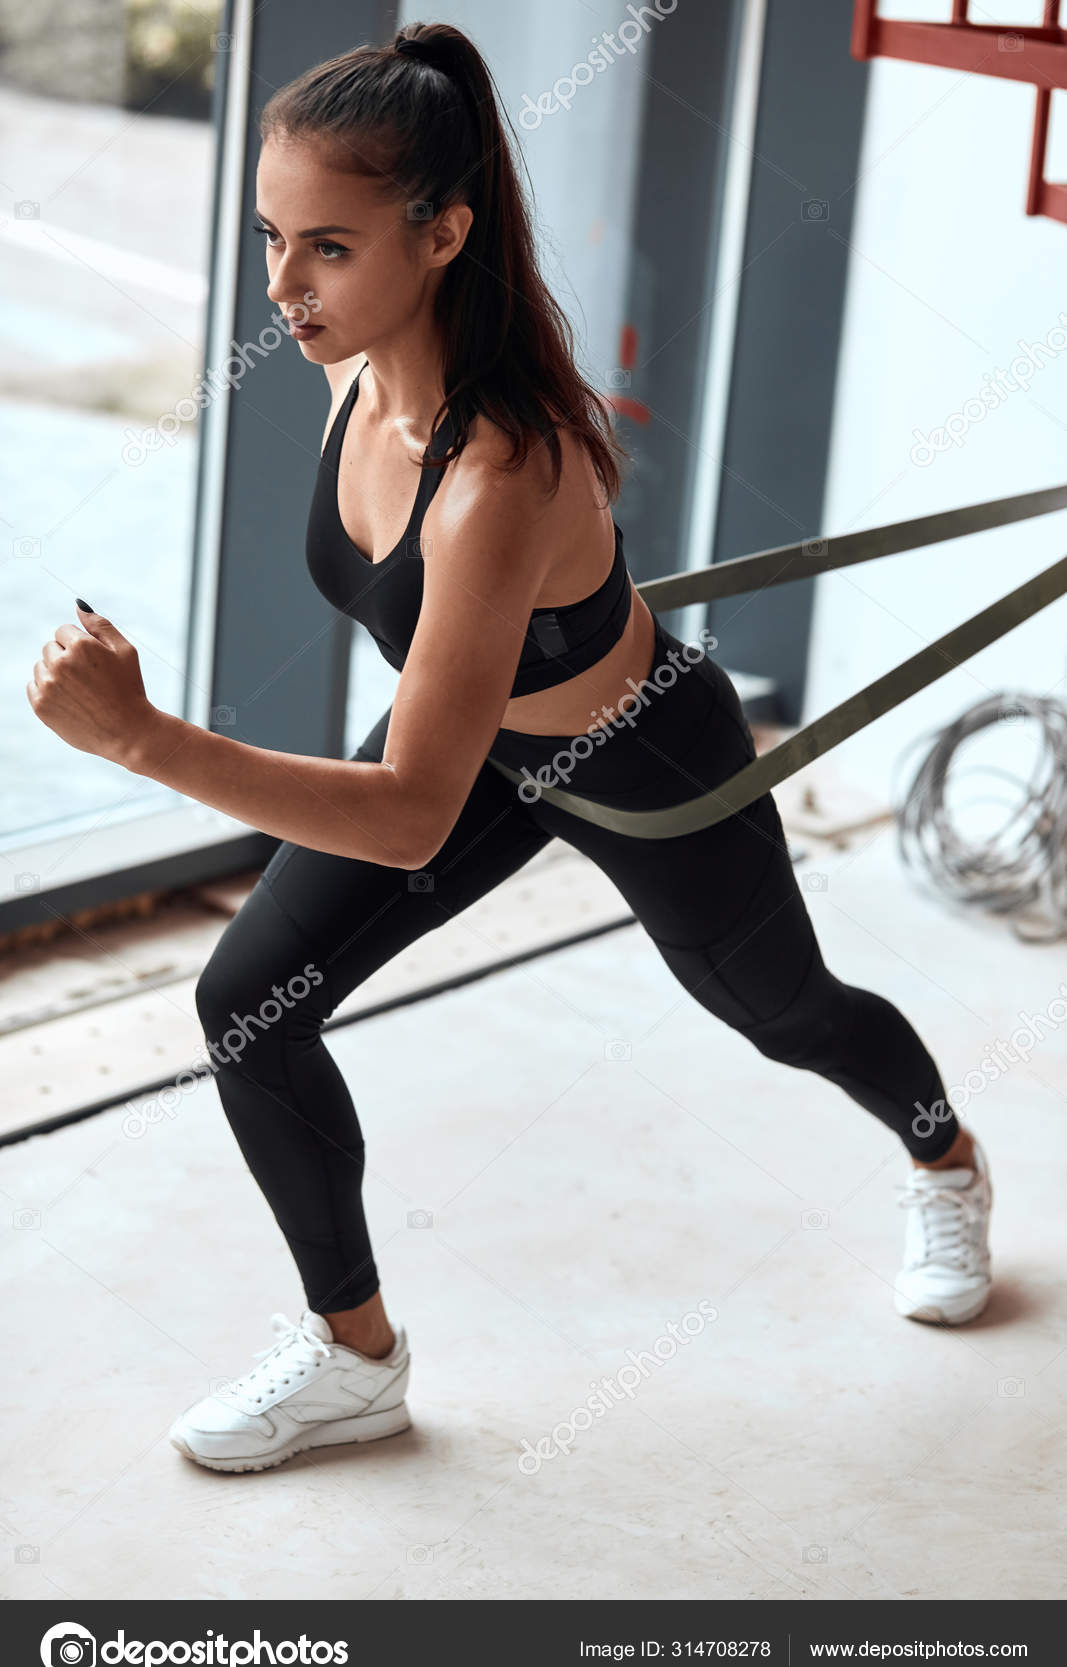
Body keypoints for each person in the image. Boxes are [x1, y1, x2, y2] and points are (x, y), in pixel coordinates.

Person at [164, 23, 992, 1472]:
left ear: (444, 233)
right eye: (272, 239)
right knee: (250, 1005)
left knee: (784, 1012)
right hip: (470, 740)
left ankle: (945, 1156)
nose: (283, 289)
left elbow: (409, 814)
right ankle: (355, 1359)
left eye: (328, 249)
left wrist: (142, 741)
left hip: (635, 758)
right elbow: (433, 764)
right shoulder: (350, 377)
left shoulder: (502, 472)